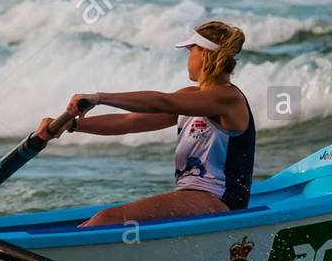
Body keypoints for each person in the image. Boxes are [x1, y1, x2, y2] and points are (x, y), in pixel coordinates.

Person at [39, 21, 254, 227]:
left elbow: (162, 101)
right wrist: (70, 125)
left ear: (204, 54)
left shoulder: (228, 99)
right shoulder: (191, 98)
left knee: (107, 219)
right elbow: (128, 122)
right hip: (193, 197)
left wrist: (99, 97)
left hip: (219, 201)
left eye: (190, 52)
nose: (188, 59)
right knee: (96, 221)